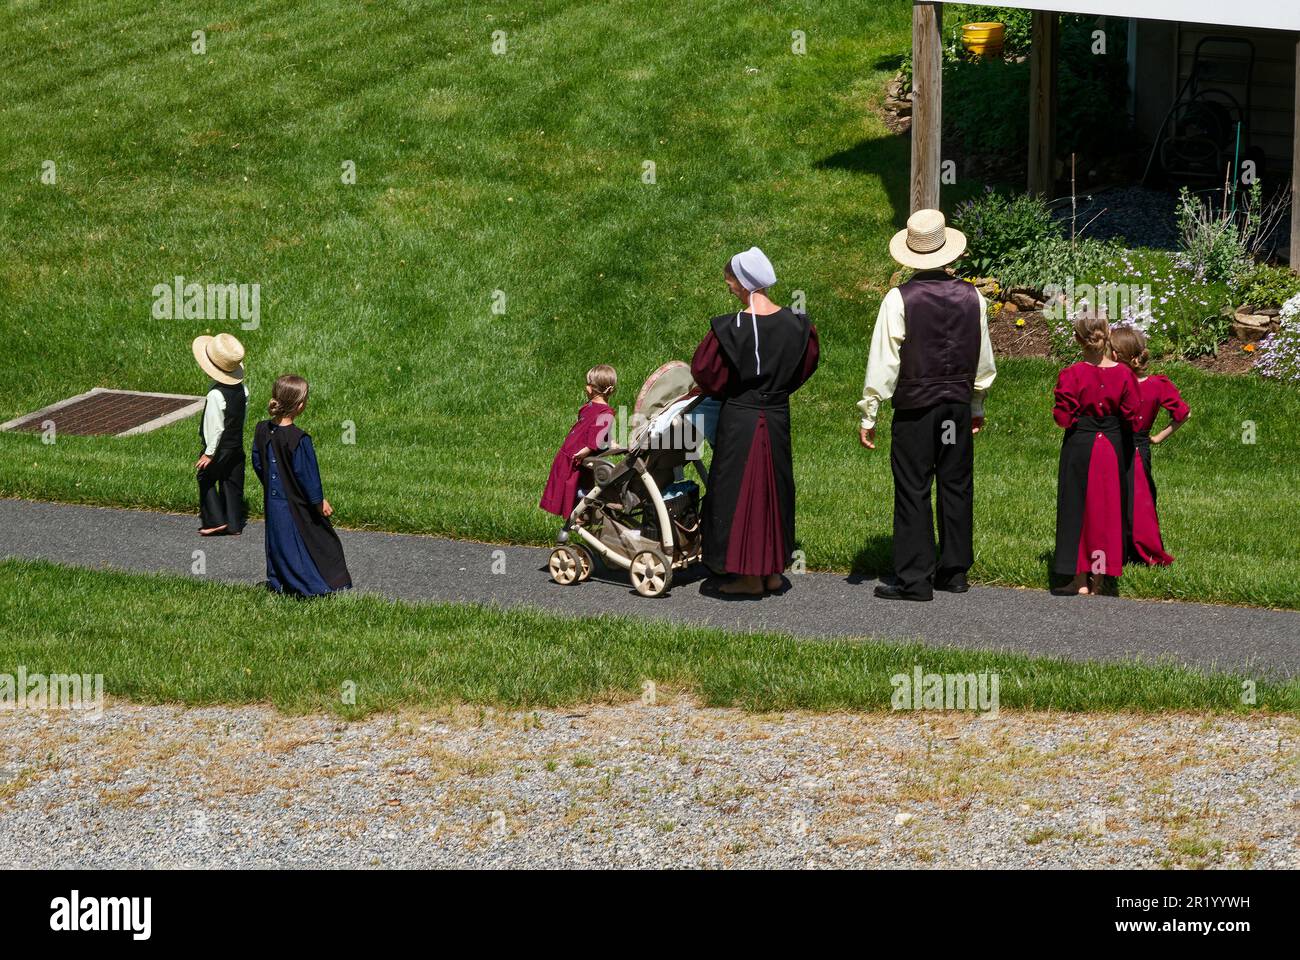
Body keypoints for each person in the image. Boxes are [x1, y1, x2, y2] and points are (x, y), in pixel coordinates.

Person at [857, 209, 996, 601]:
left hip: (917, 409)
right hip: (955, 407)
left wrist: (870, 411)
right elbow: (982, 359)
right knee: (956, 484)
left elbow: (883, 362)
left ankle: (915, 578)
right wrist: (977, 404)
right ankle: (954, 571)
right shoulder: (973, 297)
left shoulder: (899, 299)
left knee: (913, 487)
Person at [691, 246, 819, 596]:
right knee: (773, 489)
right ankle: (772, 572)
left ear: (744, 283)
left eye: (731, 280)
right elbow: (805, 366)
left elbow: (706, 373)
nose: (729, 286)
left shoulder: (731, 327)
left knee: (738, 491)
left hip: (741, 418)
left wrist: (738, 389)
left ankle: (748, 577)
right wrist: (775, 391)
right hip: (776, 415)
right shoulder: (798, 324)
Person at [1051, 311, 1142, 595]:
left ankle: (1079, 580)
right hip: (1113, 444)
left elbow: (1063, 418)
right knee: (1107, 509)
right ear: (1108, 335)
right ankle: (1101, 578)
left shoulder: (1071, 374)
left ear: (1078, 339)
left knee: (1076, 507)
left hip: (1081, 442)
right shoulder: (1124, 374)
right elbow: (1133, 414)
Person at [251, 374, 352, 597]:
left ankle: (279, 583)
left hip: (272, 500)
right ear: (300, 405)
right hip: (297, 504)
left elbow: (258, 462)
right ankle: (311, 586)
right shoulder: (299, 439)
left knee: (278, 542)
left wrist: (270, 485)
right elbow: (308, 477)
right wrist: (318, 502)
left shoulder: (261, 430)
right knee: (314, 541)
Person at [1110, 325, 1189, 565]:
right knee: (1137, 499)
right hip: (1139, 446)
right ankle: (1131, 549)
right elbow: (1183, 414)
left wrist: (1157, 437)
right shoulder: (1157, 384)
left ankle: (1128, 549)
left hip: (1123, 446)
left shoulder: (1119, 383)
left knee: (1128, 497)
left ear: (1117, 356)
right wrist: (1158, 437)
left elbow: (1184, 413)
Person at [540, 365, 618, 518]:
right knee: (577, 487)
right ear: (612, 390)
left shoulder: (589, 408)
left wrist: (599, 445)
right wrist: (589, 450)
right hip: (577, 455)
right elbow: (598, 431)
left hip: (572, 453)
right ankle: (581, 514)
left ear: (589, 389)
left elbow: (598, 431)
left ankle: (579, 515)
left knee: (573, 485)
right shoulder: (605, 411)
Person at [192, 333, 249, 536]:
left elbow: (215, 427)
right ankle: (234, 523)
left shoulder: (215, 394)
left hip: (219, 447)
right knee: (231, 482)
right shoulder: (243, 390)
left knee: (205, 476)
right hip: (236, 446)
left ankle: (215, 520)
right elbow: (240, 417)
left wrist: (209, 453)